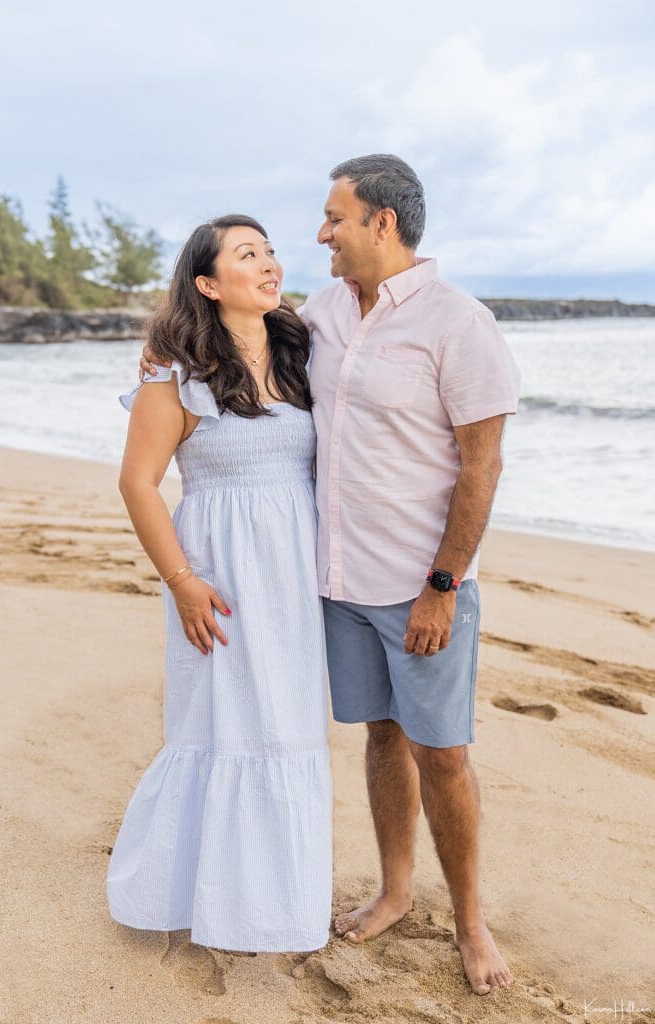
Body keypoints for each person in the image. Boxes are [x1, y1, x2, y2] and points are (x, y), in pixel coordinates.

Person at [141, 154, 522, 995]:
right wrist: (158, 352)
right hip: (332, 582)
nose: (318, 235)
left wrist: (443, 585)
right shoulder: (317, 314)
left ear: (380, 223)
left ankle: (469, 920)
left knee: (443, 752)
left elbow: (482, 468)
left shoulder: (460, 324)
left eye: (333, 219)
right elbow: (219, 349)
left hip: (420, 584)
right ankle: (394, 888)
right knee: (380, 737)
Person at [107, 214, 332, 954]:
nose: (268, 263)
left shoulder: (303, 350)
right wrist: (182, 582)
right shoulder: (175, 370)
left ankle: (270, 907)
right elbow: (139, 483)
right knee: (221, 724)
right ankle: (189, 895)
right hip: (218, 571)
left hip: (293, 573)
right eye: (246, 255)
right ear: (207, 284)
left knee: (285, 727)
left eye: (268, 250)